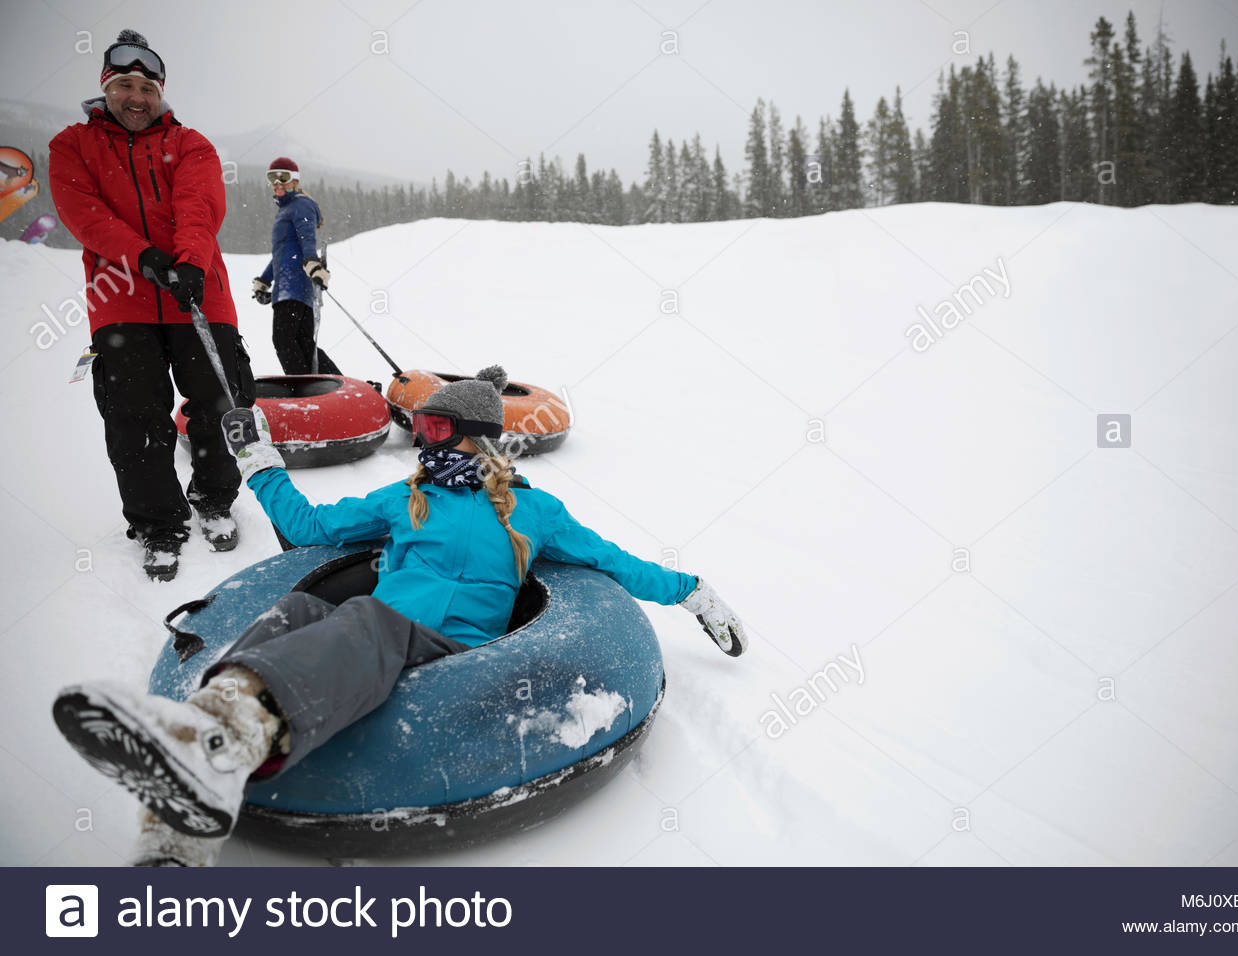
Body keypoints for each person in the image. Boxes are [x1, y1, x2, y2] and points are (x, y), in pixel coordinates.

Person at [53, 366, 747, 866]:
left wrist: (692, 592)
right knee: (298, 607)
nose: (424, 440)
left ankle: (224, 739)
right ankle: (179, 819)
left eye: (438, 427)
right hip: (382, 631)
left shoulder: (535, 512)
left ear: (475, 436)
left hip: (454, 650)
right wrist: (257, 459)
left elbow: (617, 562)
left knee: (364, 622)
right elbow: (312, 527)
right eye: (421, 426)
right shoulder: (405, 499)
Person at [48, 29, 253, 580]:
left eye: (146, 87)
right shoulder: (72, 145)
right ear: (105, 90)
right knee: (136, 417)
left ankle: (213, 498)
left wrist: (187, 261)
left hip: (200, 294)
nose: (136, 97)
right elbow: (83, 213)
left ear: (160, 92)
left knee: (219, 400)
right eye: (124, 86)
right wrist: (142, 258)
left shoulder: (190, 143)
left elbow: (199, 203)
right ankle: (159, 523)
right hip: (121, 301)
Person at [252, 157, 341, 375]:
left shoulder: (301, 205)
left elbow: (307, 238)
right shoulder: (286, 209)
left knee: (284, 339)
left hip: (294, 285)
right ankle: (335, 387)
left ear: (295, 180)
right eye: (272, 178)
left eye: (283, 177)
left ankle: (303, 388)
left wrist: (313, 262)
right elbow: (281, 254)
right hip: (287, 286)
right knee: (302, 343)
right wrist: (265, 280)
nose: (277, 183)